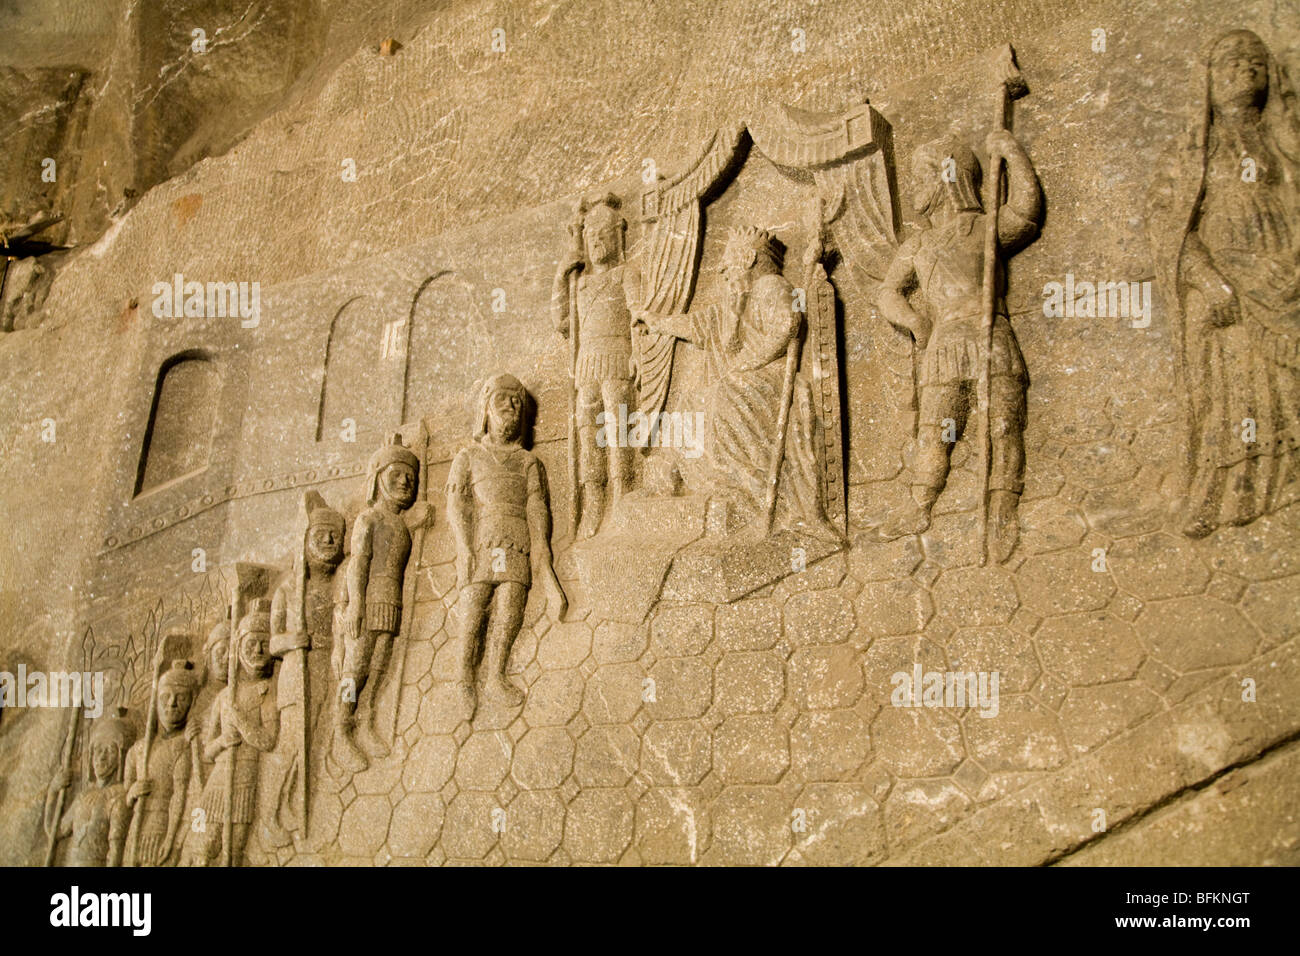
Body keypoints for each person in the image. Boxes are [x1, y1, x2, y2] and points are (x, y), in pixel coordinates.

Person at [1149, 29, 1300, 537]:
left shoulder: (1286, 143)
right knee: (1238, 397)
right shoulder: (1192, 151)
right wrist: (1208, 280)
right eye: (1232, 61)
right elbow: (1169, 226)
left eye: (1256, 60)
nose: (1247, 68)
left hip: (1286, 277)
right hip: (1229, 285)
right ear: (1208, 80)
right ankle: (1229, 496)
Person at [873, 130, 1042, 561]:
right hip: (945, 341)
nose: (914, 188)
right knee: (935, 430)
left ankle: (1003, 505)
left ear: (947, 177)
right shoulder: (919, 245)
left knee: (1002, 425)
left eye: (920, 177)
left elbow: (1025, 211)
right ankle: (920, 504)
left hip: (989, 334)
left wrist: (1011, 152)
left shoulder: (984, 229)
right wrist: (914, 320)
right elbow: (889, 292)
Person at [636, 226, 843, 541]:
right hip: (746, 381)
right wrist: (655, 321)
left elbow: (787, 324)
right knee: (694, 404)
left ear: (747, 258)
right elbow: (698, 324)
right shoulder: (735, 302)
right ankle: (727, 482)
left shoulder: (770, 286)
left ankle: (752, 486)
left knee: (722, 396)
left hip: (770, 381)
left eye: (727, 258)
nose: (720, 268)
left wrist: (745, 364)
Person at [447, 374, 567, 715]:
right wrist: (464, 547)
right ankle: (463, 680)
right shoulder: (468, 457)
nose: (511, 405)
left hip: (515, 542)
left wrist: (542, 547)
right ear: (485, 409)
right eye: (503, 399)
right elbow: (457, 505)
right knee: (473, 609)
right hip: (482, 539)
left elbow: (536, 505)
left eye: (517, 402)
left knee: (509, 608)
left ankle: (495, 676)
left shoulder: (529, 462)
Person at [552, 194, 639, 537]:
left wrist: (639, 354)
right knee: (590, 431)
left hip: (618, 356)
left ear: (617, 235)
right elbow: (561, 321)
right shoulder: (580, 284)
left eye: (604, 233)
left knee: (616, 424)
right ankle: (595, 498)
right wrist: (562, 275)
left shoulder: (626, 275)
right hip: (587, 362)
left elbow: (639, 317)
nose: (598, 241)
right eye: (592, 236)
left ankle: (622, 492)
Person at [334, 435, 418, 771]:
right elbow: (358, 564)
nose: (404, 481)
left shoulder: (402, 526)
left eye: (410, 478)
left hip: (390, 602)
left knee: (379, 669)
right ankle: (342, 728)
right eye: (396, 474)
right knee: (355, 671)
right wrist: (355, 605)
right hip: (367, 602)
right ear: (377, 479)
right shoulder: (368, 519)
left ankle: (365, 720)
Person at [182, 604, 279, 866]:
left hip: (245, 781)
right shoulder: (225, 696)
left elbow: (268, 740)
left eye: (263, 644)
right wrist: (222, 741)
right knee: (202, 847)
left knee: (232, 854)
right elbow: (207, 751)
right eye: (251, 644)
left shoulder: (266, 691)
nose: (258, 651)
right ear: (239, 648)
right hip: (218, 781)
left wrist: (241, 723)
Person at [124, 660, 199, 865]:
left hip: (161, 826)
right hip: (137, 826)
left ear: (192, 703)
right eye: (165, 697)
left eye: (180, 698)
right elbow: (123, 797)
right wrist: (131, 793)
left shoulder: (184, 746)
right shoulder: (138, 750)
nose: (172, 704)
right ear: (156, 701)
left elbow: (179, 796)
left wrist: (170, 838)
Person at [44, 709, 135, 866]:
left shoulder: (118, 797)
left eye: (110, 750)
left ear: (120, 757)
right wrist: (53, 791)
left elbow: (115, 852)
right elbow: (56, 832)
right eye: (98, 750)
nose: (101, 757)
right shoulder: (84, 794)